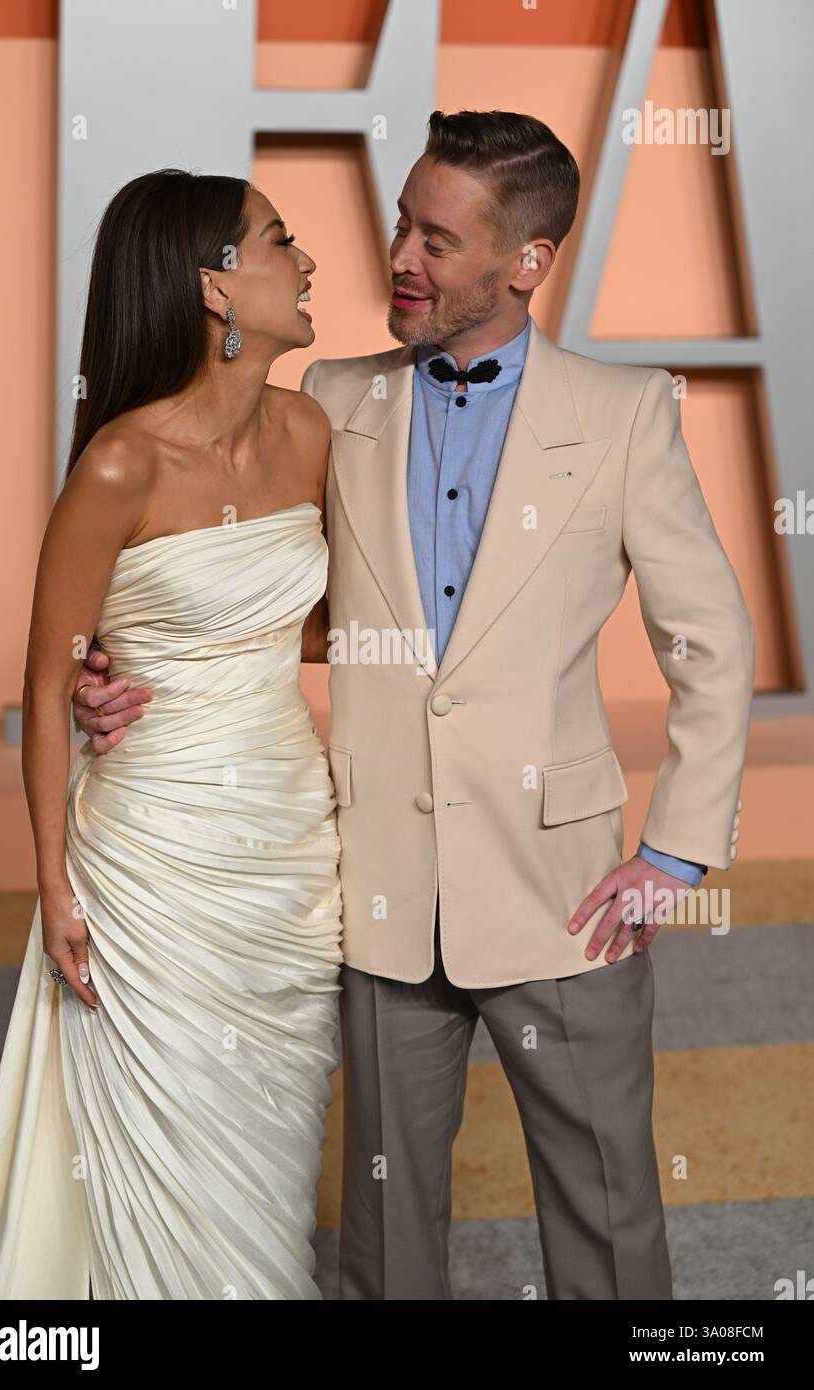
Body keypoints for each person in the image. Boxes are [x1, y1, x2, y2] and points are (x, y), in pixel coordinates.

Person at [73, 111, 755, 1301]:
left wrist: (678, 853)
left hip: (563, 896)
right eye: (399, 220)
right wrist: (128, 665)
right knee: (384, 1245)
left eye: (437, 240)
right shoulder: (327, 398)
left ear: (525, 263)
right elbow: (251, 584)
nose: (399, 256)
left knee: (607, 1222)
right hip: (378, 888)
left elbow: (709, 637)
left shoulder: (624, 411)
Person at [0, 169, 344, 1299]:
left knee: (266, 1149)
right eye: (281, 240)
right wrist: (55, 887)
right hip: (152, 861)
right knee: (156, 1138)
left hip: (283, 850)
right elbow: (46, 674)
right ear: (215, 286)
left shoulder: (310, 433)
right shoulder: (120, 463)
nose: (306, 261)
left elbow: (316, 633)